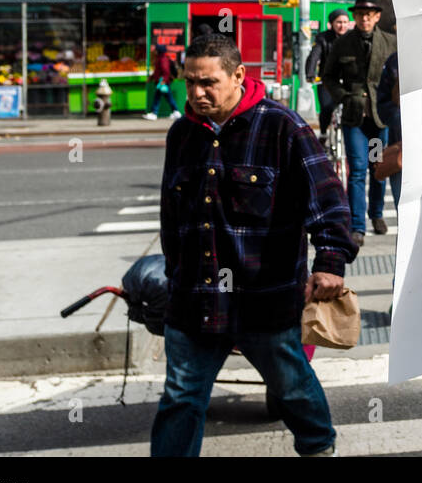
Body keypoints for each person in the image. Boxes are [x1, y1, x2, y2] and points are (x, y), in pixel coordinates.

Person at [151, 32, 356, 457]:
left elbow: (329, 200)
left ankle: (318, 446)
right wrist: (173, 276)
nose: (197, 92)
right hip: (194, 298)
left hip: (262, 298)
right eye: (190, 82)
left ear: (238, 75)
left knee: (291, 386)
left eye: (208, 82)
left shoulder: (282, 126)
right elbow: (171, 218)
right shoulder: (182, 135)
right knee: (181, 398)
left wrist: (330, 261)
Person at [321, 0, 396, 245]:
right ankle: (357, 225)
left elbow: (398, 77)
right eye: (360, 14)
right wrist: (343, 97)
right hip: (355, 119)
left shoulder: (389, 43)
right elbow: (328, 76)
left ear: (377, 16)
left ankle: (376, 215)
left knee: (378, 168)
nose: (364, 18)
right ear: (355, 16)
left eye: (369, 14)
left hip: (379, 118)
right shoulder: (343, 44)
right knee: (357, 170)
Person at [305, 9, 352, 134]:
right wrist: (310, 73)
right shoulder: (323, 38)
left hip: (349, 79)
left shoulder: (354, 38)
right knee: (326, 108)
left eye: (345, 22)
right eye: (339, 22)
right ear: (331, 23)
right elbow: (314, 56)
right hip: (327, 80)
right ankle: (324, 133)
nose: (342, 25)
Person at [374, 51, 401, 213]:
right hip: (362, 122)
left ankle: (376, 213)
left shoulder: (386, 43)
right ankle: (372, 216)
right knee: (360, 168)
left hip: (381, 124)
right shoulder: (394, 60)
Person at [144, 44, 182, 120]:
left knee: (157, 98)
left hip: (162, 82)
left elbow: (165, 71)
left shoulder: (163, 59)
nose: (154, 51)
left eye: (156, 50)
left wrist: (163, 80)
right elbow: (157, 71)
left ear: (159, 51)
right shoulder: (161, 58)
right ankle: (176, 112)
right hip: (162, 82)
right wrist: (151, 78)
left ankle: (154, 113)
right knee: (168, 97)